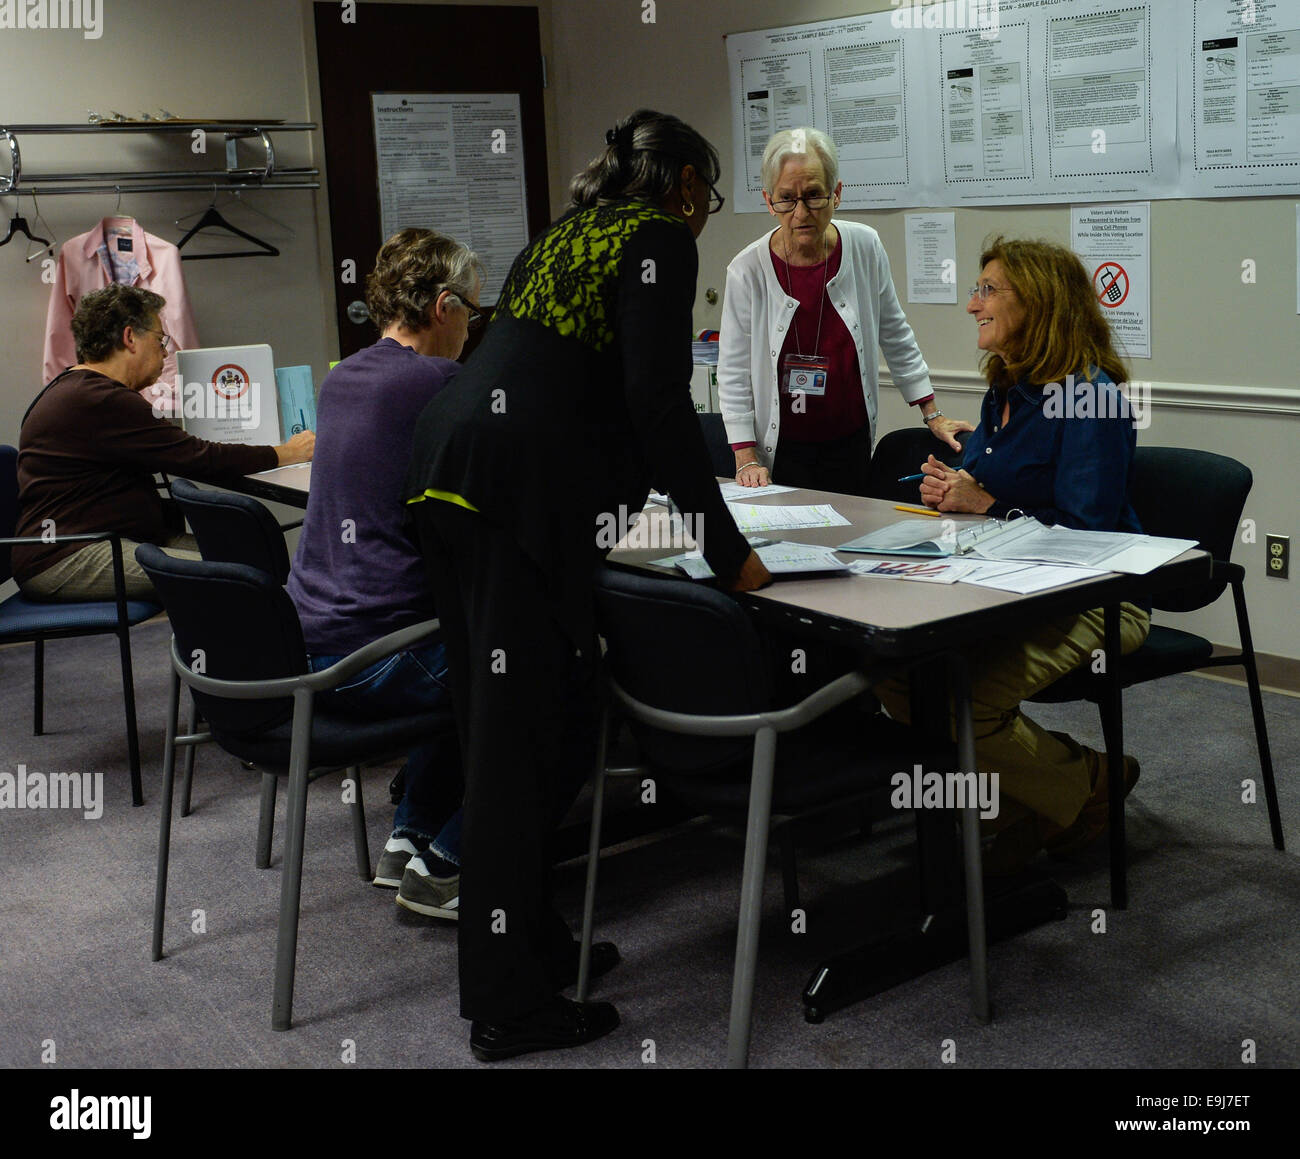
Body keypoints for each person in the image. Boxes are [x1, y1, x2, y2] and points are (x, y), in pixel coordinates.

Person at [403, 109, 771, 1062]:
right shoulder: (655, 237)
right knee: (520, 747)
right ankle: (506, 1004)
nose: (704, 213)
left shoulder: (566, 233)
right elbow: (655, 403)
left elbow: (587, 387)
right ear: (687, 185)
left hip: (453, 469)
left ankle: (534, 947)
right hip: (508, 494)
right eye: (710, 196)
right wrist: (727, 549)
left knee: (545, 721)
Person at [875, 235, 1148, 873]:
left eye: (989, 290)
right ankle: (1042, 799)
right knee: (894, 676)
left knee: (963, 698)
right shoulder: (1006, 389)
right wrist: (951, 490)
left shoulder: (1090, 395)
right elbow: (984, 495)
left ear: (1041, 304)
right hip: (999, 589)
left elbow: (1086, 533)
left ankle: (1085, 787)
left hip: (1099, 598)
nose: (973, 305)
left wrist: (986, 505)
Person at [285, 229, 483, 917]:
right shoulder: (440, 382)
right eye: (473, 313)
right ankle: (452, 863)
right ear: (442, 305)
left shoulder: (344, 375)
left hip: (307, 640)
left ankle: (411, 834)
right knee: (527, 671)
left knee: (455, 640)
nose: (472, 330)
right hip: (370, 656)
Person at [14, 284, 314, 600]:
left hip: (108, 539)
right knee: (241, 578)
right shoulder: (100, 400)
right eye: (159, 340)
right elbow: (200, 458)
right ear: (130, 338)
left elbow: (185, 451)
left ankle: (232, 648)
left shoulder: (77, 388)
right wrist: (287, 452)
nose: (165, 351)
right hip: (67, 556)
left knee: (251, 560)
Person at [717, 126, 970, 496]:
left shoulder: (864, 246)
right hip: (780, 447)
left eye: (814, 195)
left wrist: (931, 413)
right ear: (769, 202)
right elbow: (734, 370)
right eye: (787, 199)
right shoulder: (747, 270)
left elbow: (894, 333)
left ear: (836, 193)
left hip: (848, 440)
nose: (801, 212)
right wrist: (745, 455)